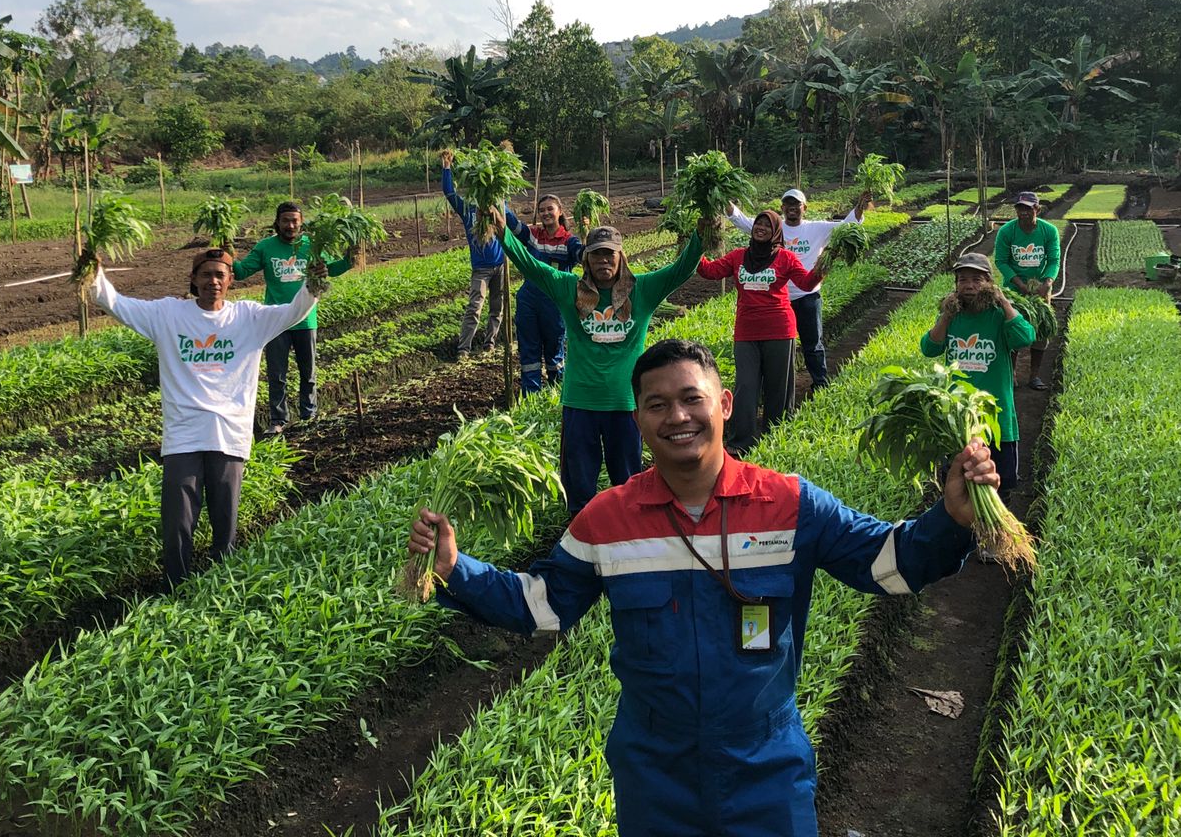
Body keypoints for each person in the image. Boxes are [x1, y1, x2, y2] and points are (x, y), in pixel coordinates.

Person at [407, 338, 998, 837]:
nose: (677, 417)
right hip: (654, 769)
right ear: (636, 418)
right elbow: (541, 607)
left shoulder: (790, 505)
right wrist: (456, 566)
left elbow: (887, 564)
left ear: (725, 404)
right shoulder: (605, 521)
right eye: (657, 404)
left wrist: (949, 518)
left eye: (693, 399)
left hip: (765, 764)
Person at [88, 248, 321, 586]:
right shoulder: (168, 315)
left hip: (228, 434)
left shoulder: (249, 318)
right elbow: (116, 303)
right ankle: (175, 588)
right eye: (206, 274)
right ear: (194, 280)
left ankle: (219, 588)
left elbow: (296, 311)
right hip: (183, 435)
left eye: (220, 275)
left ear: (230, 280)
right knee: (177, 522)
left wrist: (314, 281)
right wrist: (93, 273)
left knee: (225, 523)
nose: (213, 280)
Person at [500, 218, 702, 516]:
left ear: (621, 257)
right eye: (596, 254)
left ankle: (631, 535)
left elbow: (682, 269)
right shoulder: (569, 289)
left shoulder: (642, 290)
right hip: (580, 404)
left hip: (625, 405)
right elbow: (530, 265)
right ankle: (581, 539)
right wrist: (501, 231)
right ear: (586, 259)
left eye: (610, 254)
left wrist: (703, 229)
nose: (604, 260)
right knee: (579, 487)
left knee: (629, 482)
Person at [696, 210, 824, 456]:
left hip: (779, 329)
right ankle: (740, 441)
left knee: (778, 388)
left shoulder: (785, 258)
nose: (761, 228)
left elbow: (807, 284)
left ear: (775, 231)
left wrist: (825, 264)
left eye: (767, 225)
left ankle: (776, 437)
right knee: (746, 387)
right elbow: (709, 272)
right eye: (758, 223)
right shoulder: (738, 257)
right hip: (746, 332)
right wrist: (692, 247)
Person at [728, 186, 870, 393]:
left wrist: (860, 206)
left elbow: (848, 225)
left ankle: (820, 383)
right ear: (782, 207)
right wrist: (722, 198)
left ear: (805, 208)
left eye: (797, 204)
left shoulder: (817, 228)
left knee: (813, 342)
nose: (792, 208)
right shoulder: (773, 228)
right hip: (777, 299)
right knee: (778, 346)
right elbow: (740, 219)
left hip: (807, 296)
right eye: (788, 204)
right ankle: (773, 388)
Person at [919, 252, 1034, 496]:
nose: (969, 285)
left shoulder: (998, 316)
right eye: (962, 280)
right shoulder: (953, 317)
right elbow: (929, 348)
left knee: (997, 491)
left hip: (997, 420)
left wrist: (1004, 302)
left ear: (989, 284)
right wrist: (946, 315)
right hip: (958, 419)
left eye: (977, 279)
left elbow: (1026, 337)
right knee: (958, 489)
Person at [232, 200, 352, 432]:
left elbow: (332, 268)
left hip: (305, 319)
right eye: (285, 220)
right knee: (277, 374)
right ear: (277, 223)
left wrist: (349, 258)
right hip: (276, 320)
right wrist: (228, 257)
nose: (290, 225)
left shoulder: (311, 245)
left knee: (308, 372)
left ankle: (309, 415)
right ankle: (279, 421)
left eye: (294, 220)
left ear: (301, 222)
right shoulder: (266, 247)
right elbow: (243, 271)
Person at [503, 194, 583, 393]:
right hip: (529, 299)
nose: (546, 213)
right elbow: (512, 224)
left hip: (555, 303)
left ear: (560, 212)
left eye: (550, 209)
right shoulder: (534, 235)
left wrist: (588, 236)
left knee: (554, 349)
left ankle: (557, 391)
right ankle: (531, 393)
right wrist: (497, 199)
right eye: (542, 210)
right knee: (528, 349)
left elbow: (584, 256)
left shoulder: (569, 241)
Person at [992, 190, 1060, 390]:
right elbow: (1001, 261)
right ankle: (1011, 374)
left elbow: (1054, 260)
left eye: (1028, 209)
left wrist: (1047, 283)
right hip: (1014, 290)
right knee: (1013, 330)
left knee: (1041, 330)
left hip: (1041, 289)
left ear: (1037, 209)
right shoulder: (1007, 232)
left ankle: (1034, 376)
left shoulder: (1049, 231)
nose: (1024, 212)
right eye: (1020, 208)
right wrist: (1020, 285)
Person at [439, 150, 505, 357]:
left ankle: (489, 344)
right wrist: (446, 168)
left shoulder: (498, 208)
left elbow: (505, 192)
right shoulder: (468, 210)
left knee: (497, 307)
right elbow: (449, 193)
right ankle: (464, 349)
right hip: (481, 269)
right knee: (474, 307)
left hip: (501, 265)